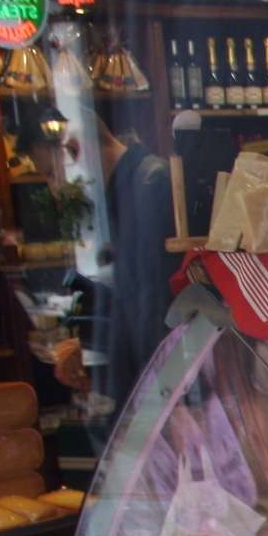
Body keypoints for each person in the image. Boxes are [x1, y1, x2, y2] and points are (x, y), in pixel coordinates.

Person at [50, 115, 175, 428]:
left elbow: (152, 300)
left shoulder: (150, 184)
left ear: (77, 148)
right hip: (152, 376)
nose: (62, 180)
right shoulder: (131, 187)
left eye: (67, 159)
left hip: (158, 378)